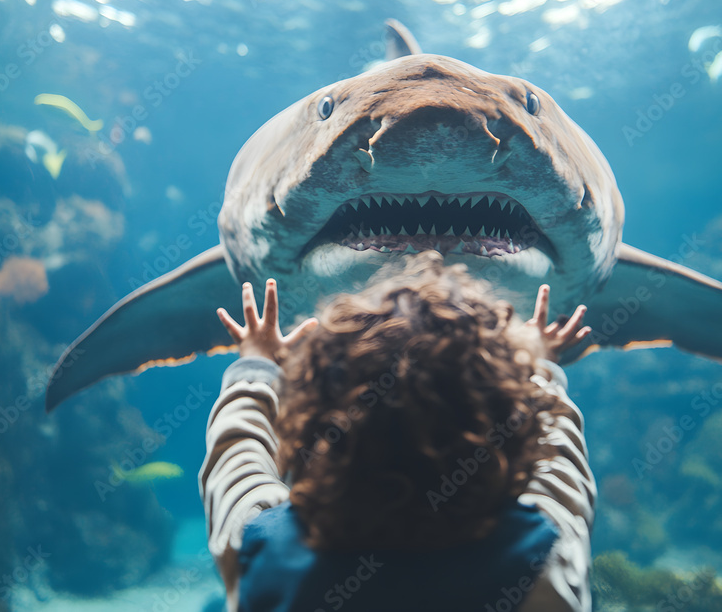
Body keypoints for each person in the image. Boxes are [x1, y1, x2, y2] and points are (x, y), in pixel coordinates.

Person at [200, 252, 596, 611]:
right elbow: (561, 466)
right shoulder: (541, 562)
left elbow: (236, 456)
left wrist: (255, 367)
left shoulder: (262, 552)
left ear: (313, 421)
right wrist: (541, 369)